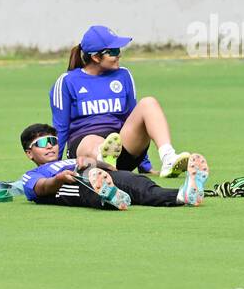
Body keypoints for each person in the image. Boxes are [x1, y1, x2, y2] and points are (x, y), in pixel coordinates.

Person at [50, 25, 196, 178]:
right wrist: (53, 169)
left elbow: (134, 120)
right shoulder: (67, 81)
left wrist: (144, 166)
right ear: (95, 57)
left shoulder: (123, 75)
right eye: (113, 52)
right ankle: (103, 157)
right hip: (85, 154)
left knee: (148, 103)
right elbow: (61, 128)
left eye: (119, 50)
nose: (119, 55)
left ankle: (168, 158)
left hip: (121, 148)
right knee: (91, 140)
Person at [13, 123, 210, 210]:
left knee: (141, 185)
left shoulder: (73, 159)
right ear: (29, 153)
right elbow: (42, 188)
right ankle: (108, 197)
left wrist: (91, 161)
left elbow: (109, 168)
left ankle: (183, 195)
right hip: (76, 185)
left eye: (52, 141)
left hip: (102, 175)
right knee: (84, 184)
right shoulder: (31, 175)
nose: (49, 146)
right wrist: (59, 178)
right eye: (40, 143)